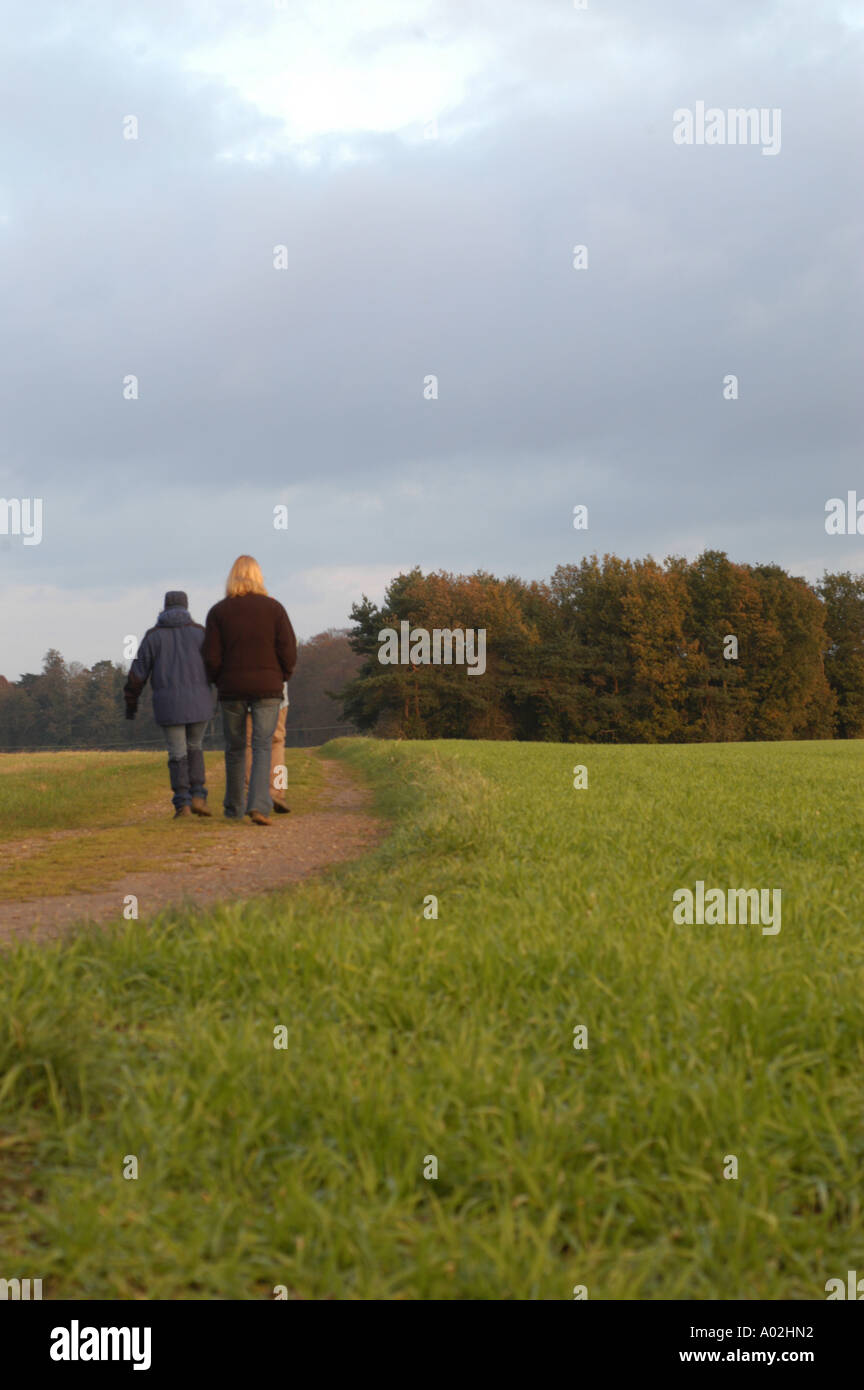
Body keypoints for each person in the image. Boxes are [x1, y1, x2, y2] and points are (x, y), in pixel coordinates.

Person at [203, 556, 297, 826]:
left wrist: (218, 681)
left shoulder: (218, 612)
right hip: (268, 688)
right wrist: (282, 676)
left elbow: (211, 657)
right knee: (263, 745)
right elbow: (288, 650)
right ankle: (259, 805)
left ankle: (233, 806)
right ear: (259, 577)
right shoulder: (275, 609)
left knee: (234, 747)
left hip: (231, 689)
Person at [123, 590, 215, 819]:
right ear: (186, 606)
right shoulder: (201, 633)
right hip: (200, 703)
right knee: (195, 747)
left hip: (169, 705)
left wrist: (131, 704)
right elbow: (216, 665)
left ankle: (182, 804)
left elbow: (137, 674)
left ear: (164, 608)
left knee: (177, 753)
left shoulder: (153, 636)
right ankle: (198, 796)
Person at [244, 684, 290, 814]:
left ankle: (251, 793)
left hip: (246, 695)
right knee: (277, 743)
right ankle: (278, 791)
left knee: (249, 745)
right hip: (277, 693)